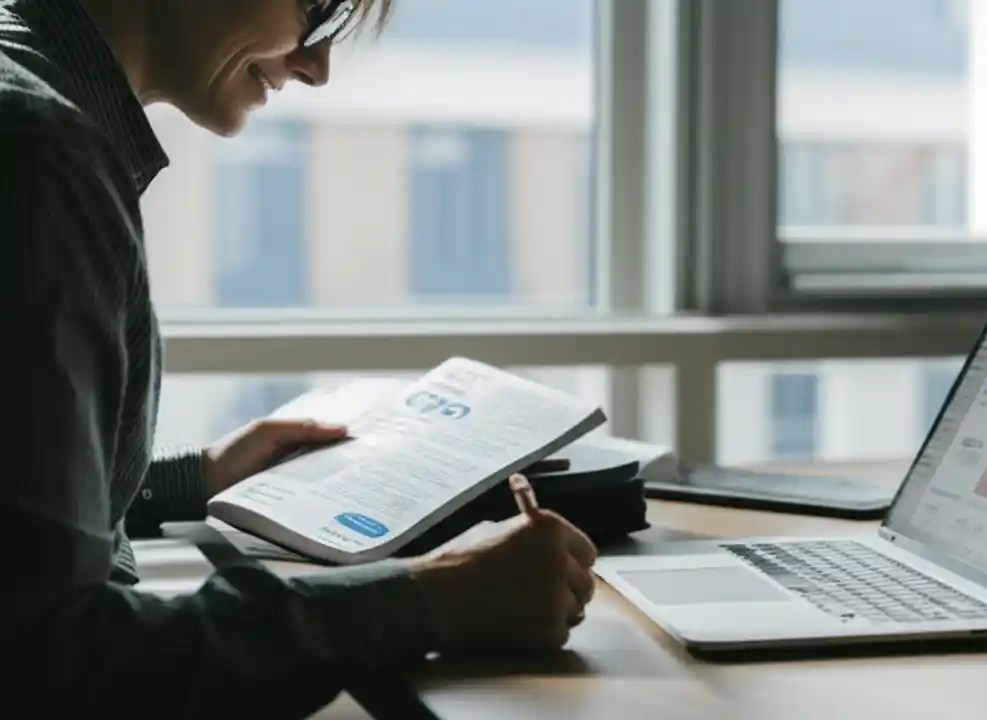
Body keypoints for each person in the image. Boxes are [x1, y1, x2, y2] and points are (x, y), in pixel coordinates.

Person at [0, 0, 597, 715]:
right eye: (315, 8)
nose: (315, 65)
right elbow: (47, 663)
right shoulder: (39, 161)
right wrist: (427, 598)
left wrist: (191, 481)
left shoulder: (38, 115)